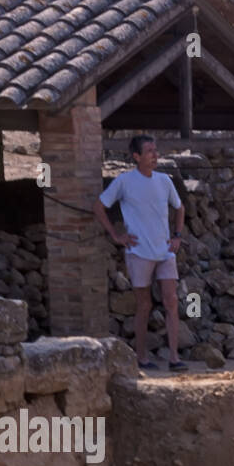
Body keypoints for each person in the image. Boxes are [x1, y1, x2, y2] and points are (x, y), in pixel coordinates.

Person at [95, 136, 187, 372]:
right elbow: (99, 206)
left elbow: (180, 207)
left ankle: (175, 357)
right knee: (144, 305)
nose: (155, 155)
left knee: (172, 301)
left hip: (165, 251)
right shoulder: (124, 181)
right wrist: (116, 236)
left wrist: (177, 235)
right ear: (136, 156)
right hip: (139, 251)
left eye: (156, 150)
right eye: (149, 151)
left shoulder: (164, 180)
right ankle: (142, 357)